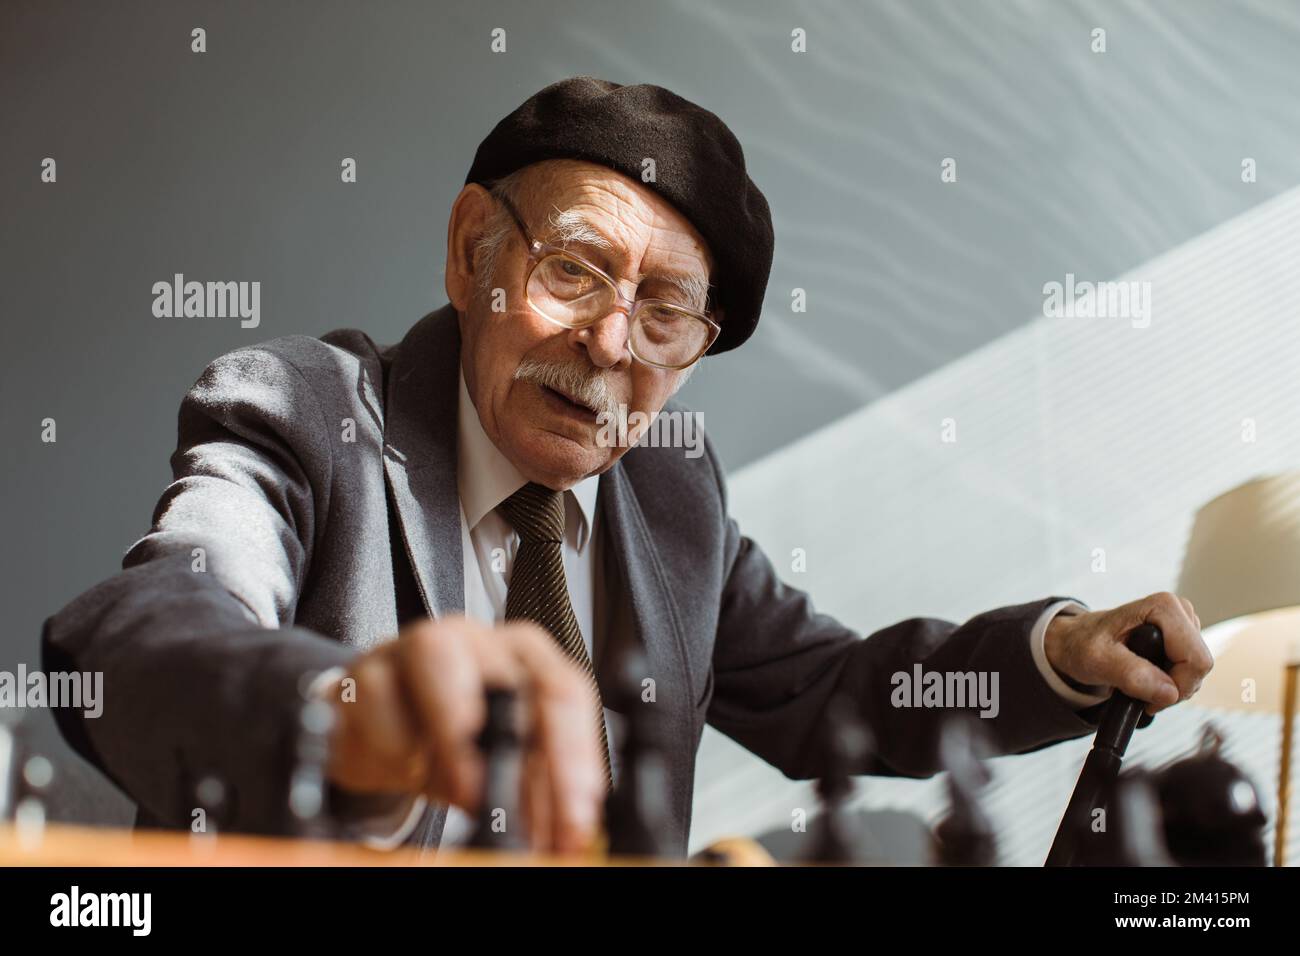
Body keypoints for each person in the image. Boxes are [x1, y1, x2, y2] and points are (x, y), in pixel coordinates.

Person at [43, 76, 1212, 857]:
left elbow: (834, 692)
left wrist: (1056, 652)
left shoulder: (669, 488)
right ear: (471, 253)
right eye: (574, 271)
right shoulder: (301, 408)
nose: (610, 344)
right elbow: (146, 626)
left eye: (665, 313)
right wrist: (343, 713)